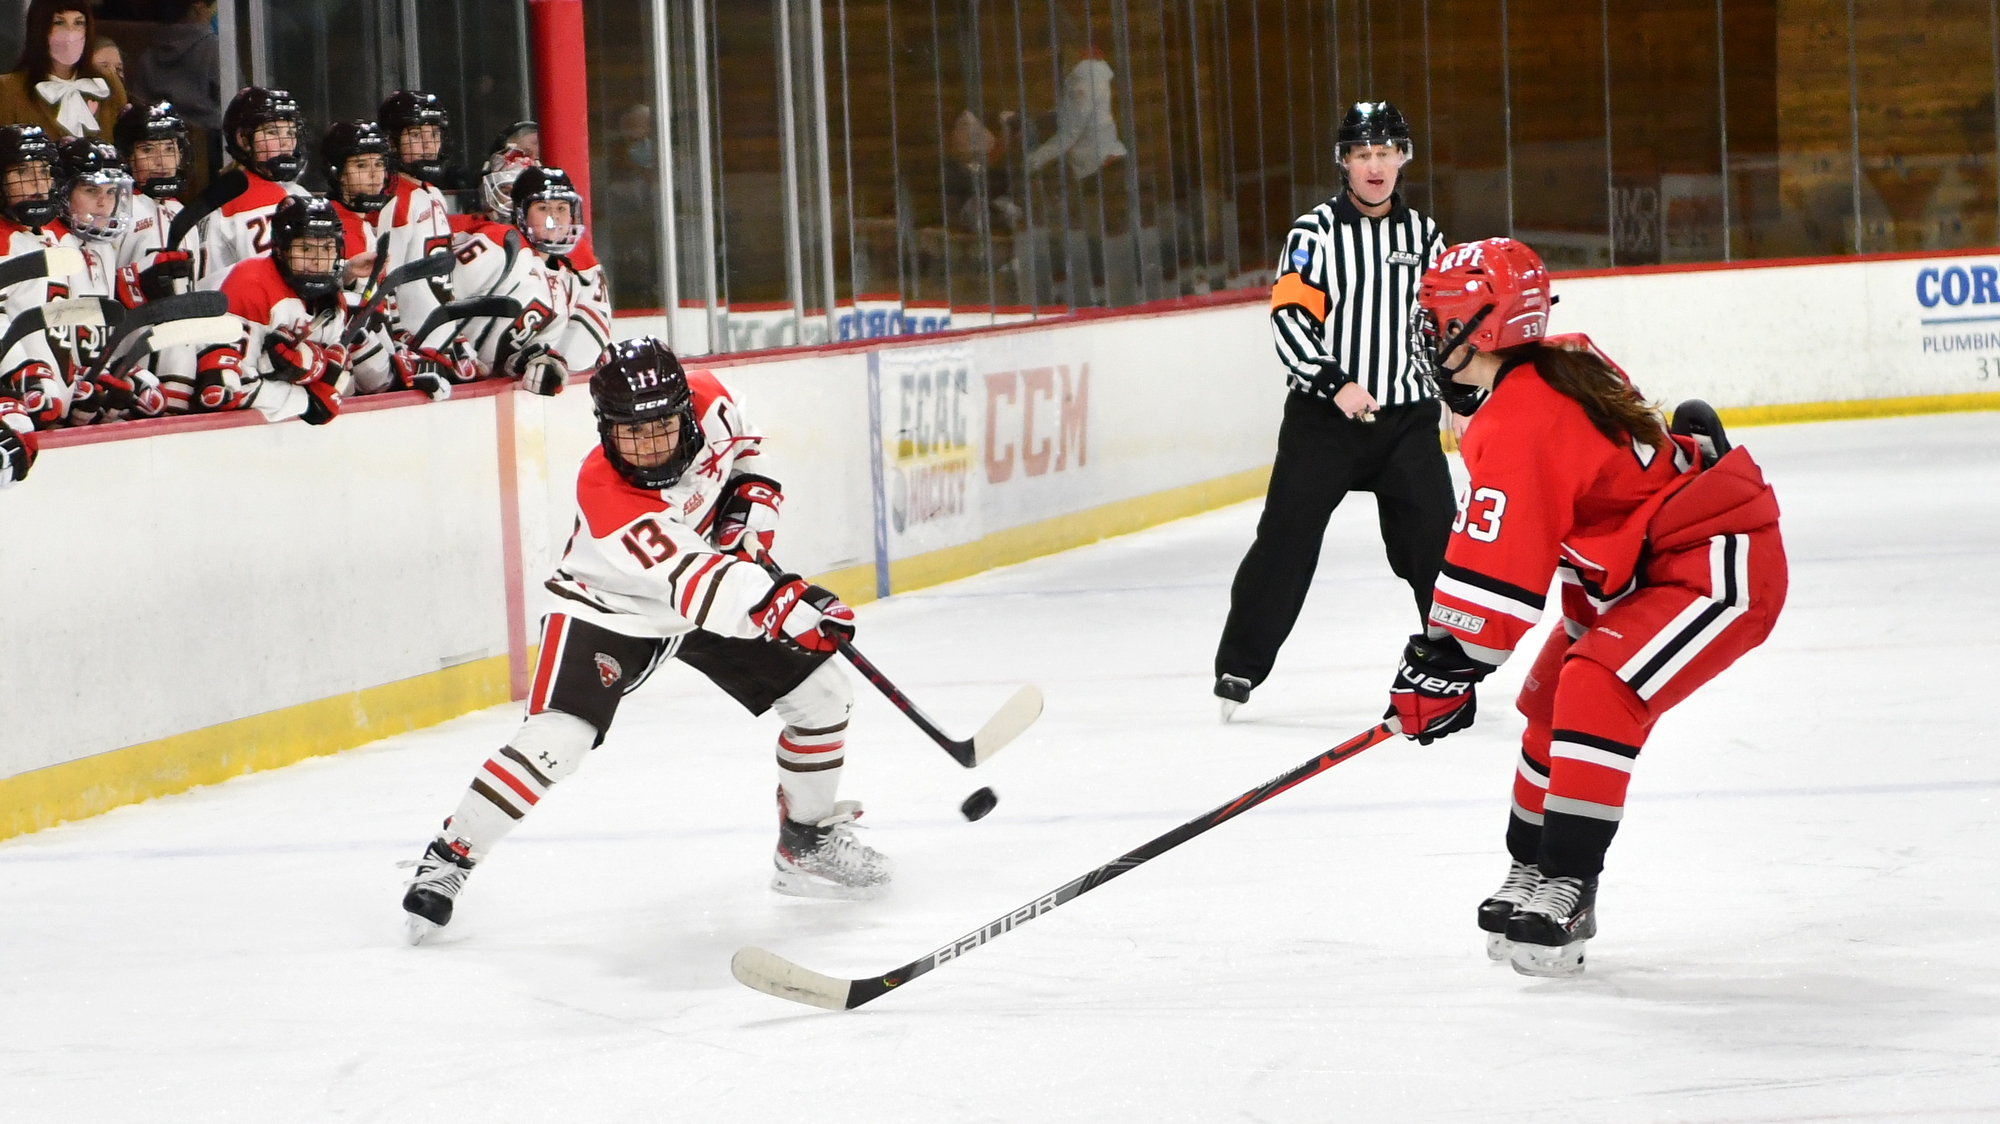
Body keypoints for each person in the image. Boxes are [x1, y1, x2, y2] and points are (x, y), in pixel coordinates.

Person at [400, 337, 890, 944]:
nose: (652, 446)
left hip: (708, 585)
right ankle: (451, 856)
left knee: (825, 698)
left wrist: (750, 503)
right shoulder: (604, 490)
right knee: (558, 741)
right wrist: (786, 606)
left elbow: (746, 461)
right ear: (605, 428)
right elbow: (698, 584)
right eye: (633, 433)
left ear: (685, 410)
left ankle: (806, 844)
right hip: (612, 608)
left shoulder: (714, 402)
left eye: (663, 427)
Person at [1386, 237, 1787, 977]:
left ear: (1483, 327)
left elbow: (1500, 568)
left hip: (1712, 566)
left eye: (1436, 316)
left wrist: (1447, 663)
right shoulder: (1554, 363)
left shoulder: (1518, 418)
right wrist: (1448, 662)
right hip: (1631, 571)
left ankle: (1568, 882)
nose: (1424, 330)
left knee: (1598, 687)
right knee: (1547, 698)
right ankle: (1533, 867)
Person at [1212, 101, 1451, 722]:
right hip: (1325, 421)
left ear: (1403, 159)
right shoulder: (1312, 233)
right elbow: (1289, 317)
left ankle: (1455, 662)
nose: (1374, 166)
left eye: (1385, 153)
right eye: (1362, 154)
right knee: (1285, 542)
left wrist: (1459, 398)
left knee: (1437, 544)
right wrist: (1334, 380)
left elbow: (1443, 326)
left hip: (1406, 423)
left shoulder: (1426, 237)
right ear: (1344, 163)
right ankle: (1239, 665)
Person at [184, 194, 358, 424]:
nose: (319, 260)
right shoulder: (251, 283)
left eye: (327, 248)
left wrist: (317, 373)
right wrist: (305, 402)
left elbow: (332, 385)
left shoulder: (333, 298)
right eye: (305, 249)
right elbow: (226, 391)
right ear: (280, 249)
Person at [441, 166, 605, 396]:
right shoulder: (498, 243)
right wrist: (452, 349)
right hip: (438, 380)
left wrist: (532, 363)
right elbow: (435, 296)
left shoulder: (564, 281)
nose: (554, 217)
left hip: (477, 393)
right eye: (543, 208)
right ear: (521, 212)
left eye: (562, 208)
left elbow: (508, 355)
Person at [0, 123, 80, 428]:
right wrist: (21, 370)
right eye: (22, 173)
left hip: (54, 403)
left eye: (44, 172)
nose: (37, 182)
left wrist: (80, 378)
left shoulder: (57, 238)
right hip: (16, 407)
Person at [190, 85, 309, 279]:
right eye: (272, 132)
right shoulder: (236, 201)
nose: (286, 143)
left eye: (290, 133)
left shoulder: (298, 192)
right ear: (244, 140)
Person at [0, 1, 128, 140]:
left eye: (78, 23)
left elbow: (128, 147)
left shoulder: (108, 82)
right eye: (59, 23)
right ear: (40, 29)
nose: (70, 33)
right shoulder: (9, 88)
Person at [111, 101, 193, 302]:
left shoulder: (183, 211)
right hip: (133, 329)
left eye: (169, 148)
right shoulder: (113, 208)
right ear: (126, 156)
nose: (161, 161)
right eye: (147, 150)